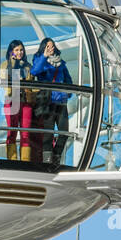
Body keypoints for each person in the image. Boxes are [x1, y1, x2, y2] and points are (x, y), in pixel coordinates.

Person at [31, 37, 73, 168]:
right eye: (48, 46)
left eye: (52, 46)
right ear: (43, 48)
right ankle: (47, 160)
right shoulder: (40, 59)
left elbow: (68, 79)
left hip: (61, 101)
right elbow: (35, 71)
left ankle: (56, 156)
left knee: (64, 132)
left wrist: (68, 92)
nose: (51, 48)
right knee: (48, 133)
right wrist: (44, 56)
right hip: (47, 101)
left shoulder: (62, 63)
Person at [2, 39, 34, 162]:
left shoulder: (27, 66)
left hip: (25, 101)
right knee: (12, 131)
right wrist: (13, 62)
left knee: (26, 133)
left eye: (21, 50)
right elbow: (4, 80)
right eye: (16, 50)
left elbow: (33, 85)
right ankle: (12, 160)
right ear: (11, 52)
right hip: (11, 101)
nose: (19, 52)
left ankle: (25, 160)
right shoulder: (5, 65)